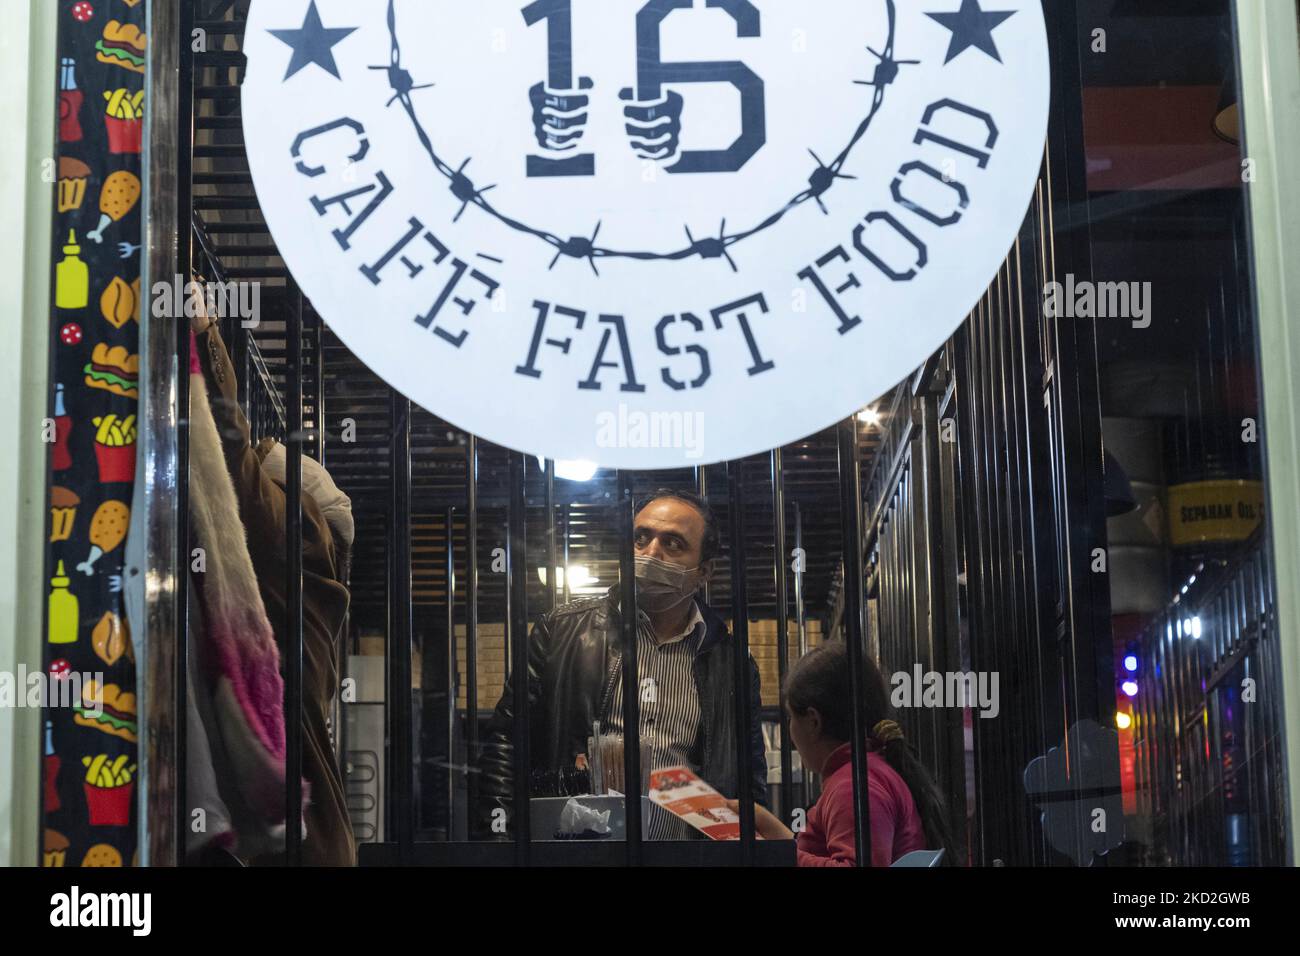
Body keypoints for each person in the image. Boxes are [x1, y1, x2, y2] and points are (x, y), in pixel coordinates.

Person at [477, 489, 767, 839]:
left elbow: (748, 779)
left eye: (673, 543)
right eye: (641, 538)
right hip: (576, 852)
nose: (650, 553)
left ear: (703, 571)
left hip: (687, 856)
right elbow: (507, 742)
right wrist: (499, 841)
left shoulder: (729, 661)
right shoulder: (562, 631)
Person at [190, 302, 357, 866]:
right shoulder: (310, 597)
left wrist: (207, 335)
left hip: (294, 846)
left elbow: (233, 455)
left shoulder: (300, 540)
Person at [729, 640, 959, 866]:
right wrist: (770, 830)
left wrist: (779, 856)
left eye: (791, 718)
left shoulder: (853, 787)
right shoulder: (867, 773)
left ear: (813, 721)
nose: (790, 732)